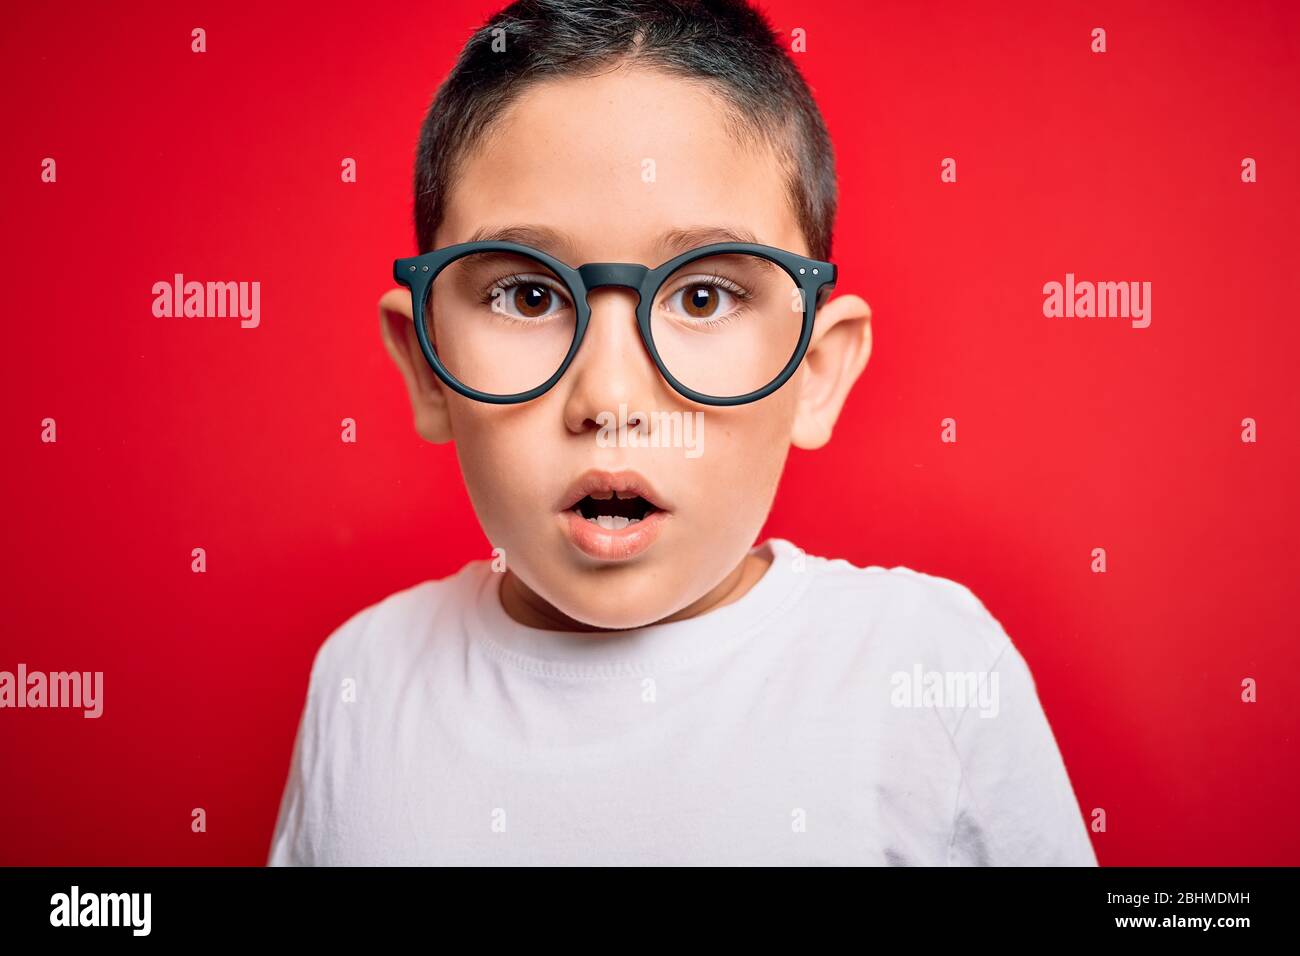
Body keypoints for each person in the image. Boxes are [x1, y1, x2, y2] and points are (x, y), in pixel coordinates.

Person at [268, 0, 1097, 866]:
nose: (613, 396)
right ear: (427, 364)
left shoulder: (928, 668)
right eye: (528, 295)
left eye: (704, 296)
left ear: (816, 372)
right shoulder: (364, 678)